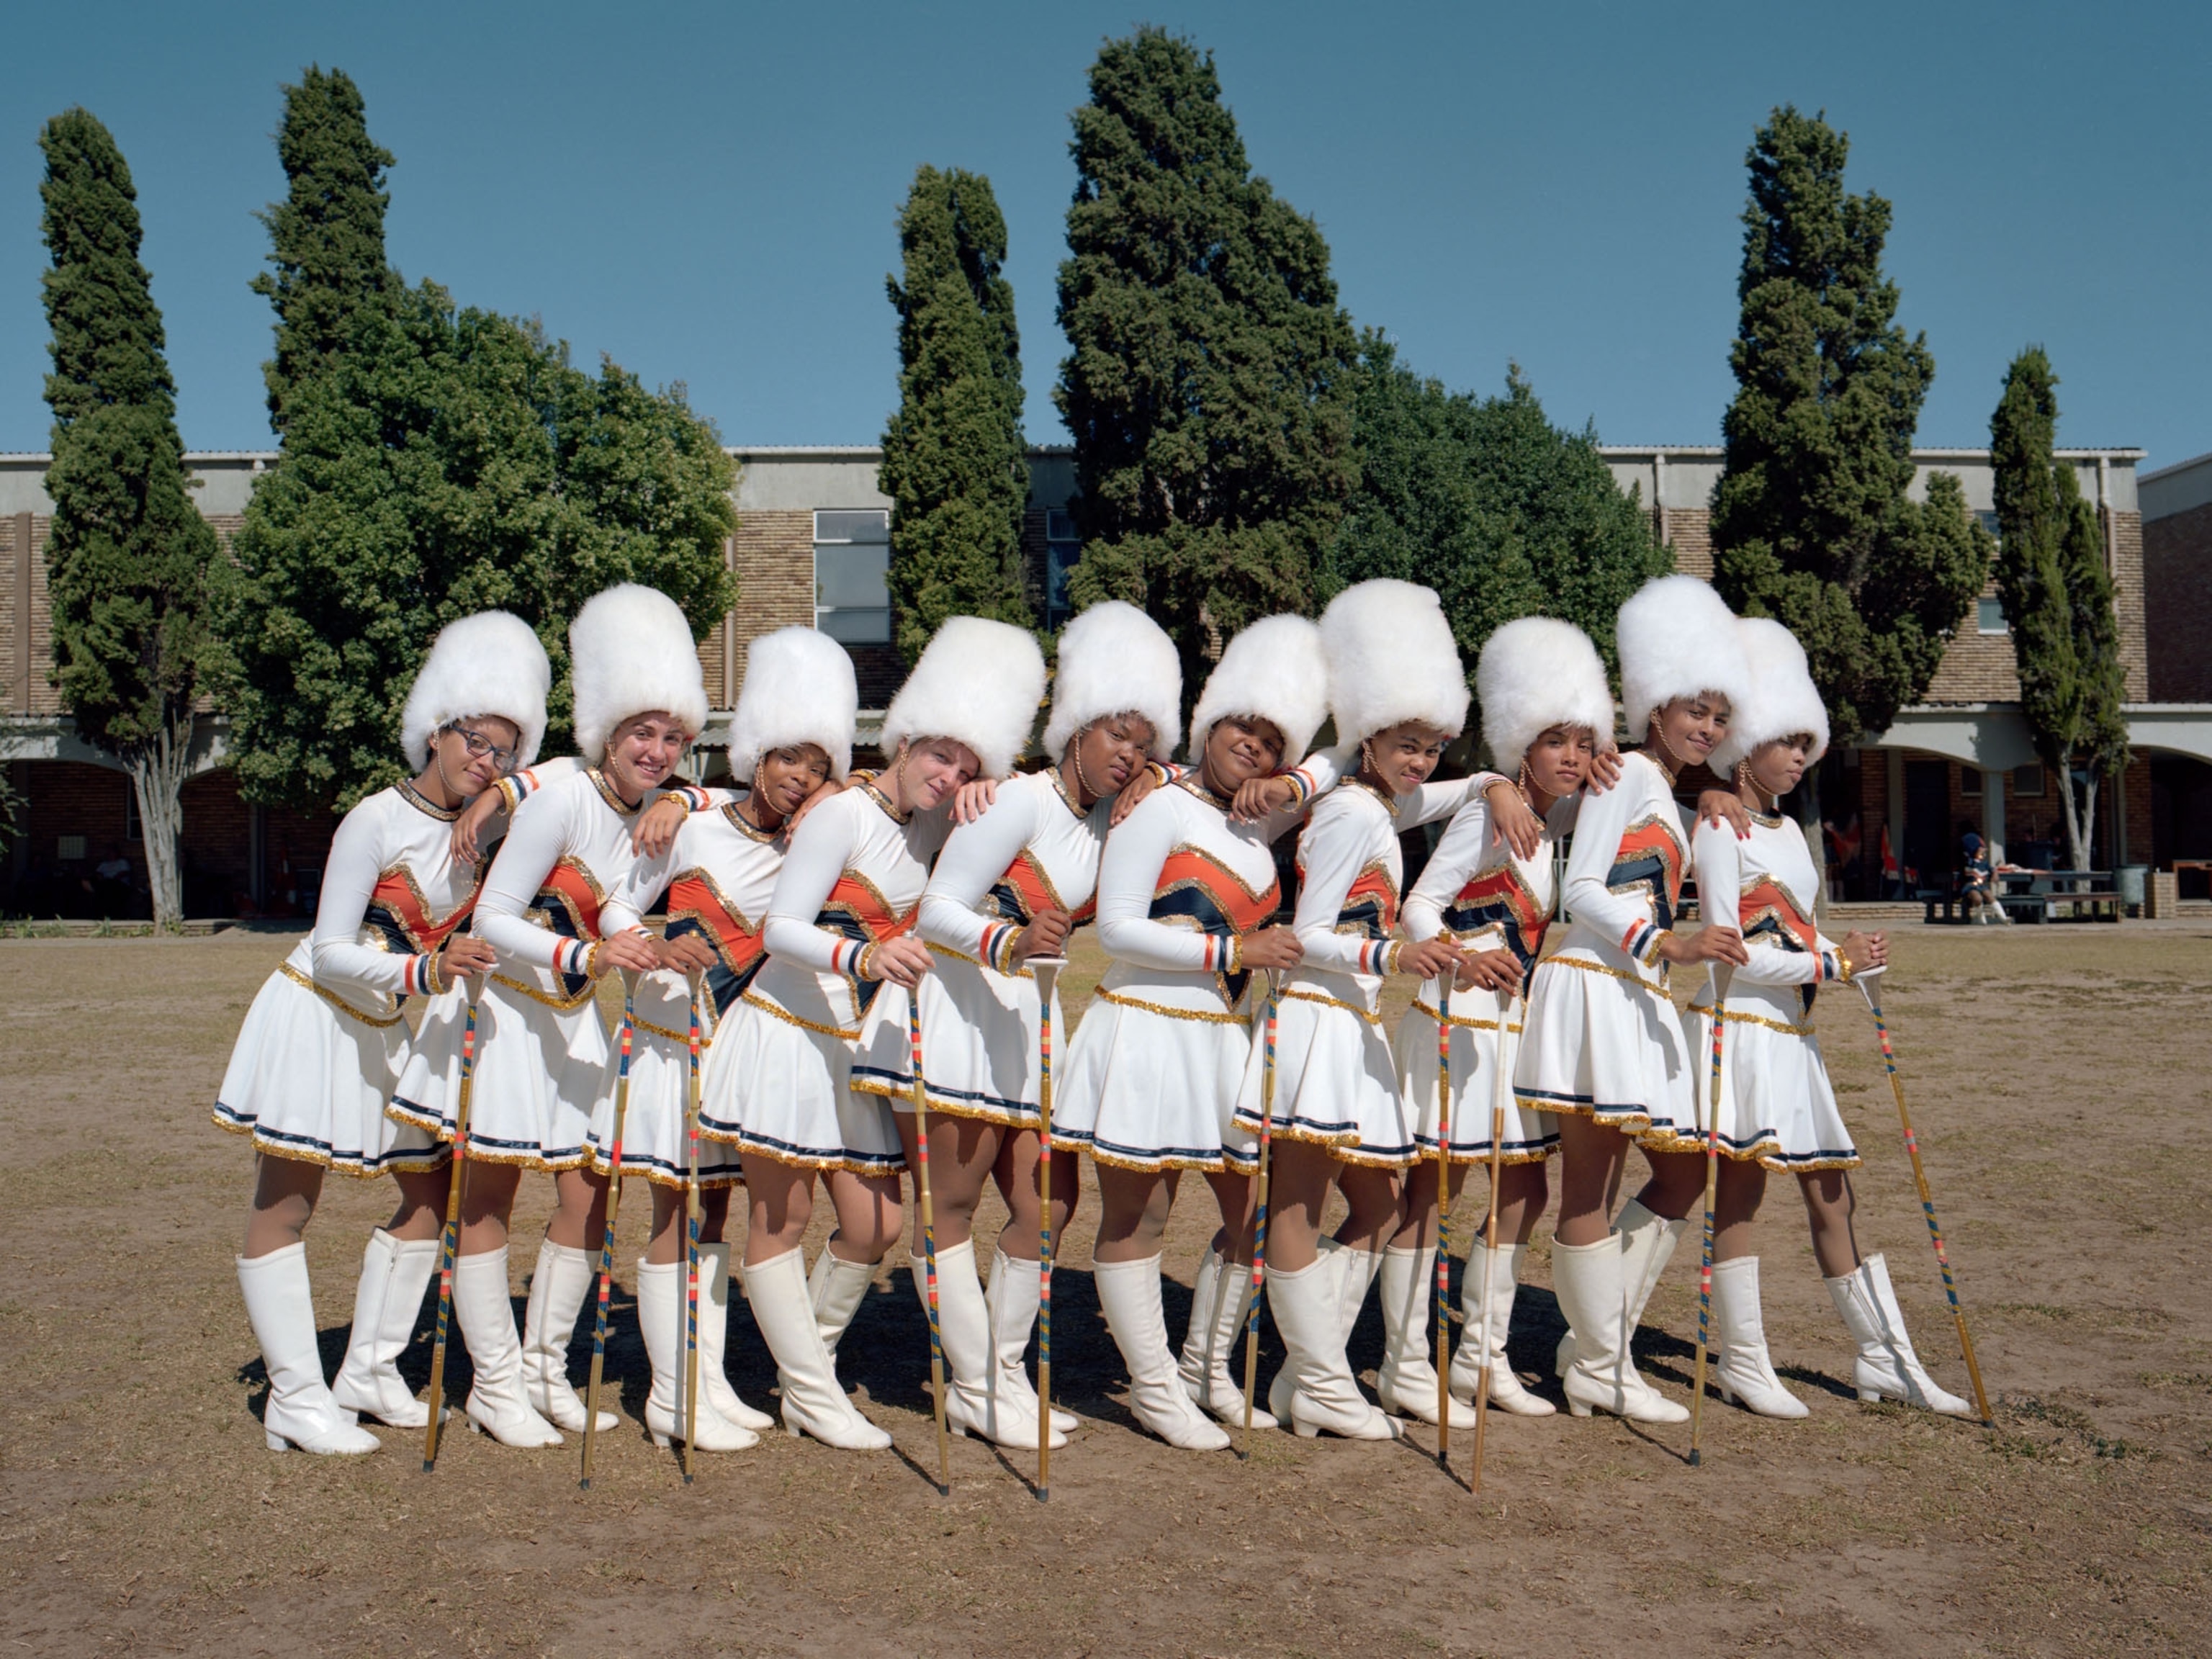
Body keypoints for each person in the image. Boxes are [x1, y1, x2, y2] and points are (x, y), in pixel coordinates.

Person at [215, 611, 549, 1453]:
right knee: (288, 1203)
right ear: (436, 732)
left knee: (430, 1196)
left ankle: (367, 1370)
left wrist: (513, 792)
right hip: (318, 1017)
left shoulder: (490, 826)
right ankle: (294, 1397)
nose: (489, 759)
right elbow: (331, 951)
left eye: (507, 750)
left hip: (388, 1031)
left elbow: (584, 786)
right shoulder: (374, 818)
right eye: (477, 740)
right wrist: (426, 972)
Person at [712, 616, 1042, 1450]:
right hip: (786, 1030)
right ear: (904, 740)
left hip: (855, 1050)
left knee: (876, 1227)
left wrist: (990, 790)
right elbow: (779, 930)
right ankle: (817, 1397)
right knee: (778, 1219)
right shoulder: (842, 815)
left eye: (968, 765)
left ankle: (802, 1373)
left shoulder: (937, 828)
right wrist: (861, 956)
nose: (949, 774)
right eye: (940, 755)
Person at [387, 584, 706, 1447]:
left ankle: (542, 1368)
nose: (658, 750)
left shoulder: (665, 811)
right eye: (644, 732)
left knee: (590, 1192)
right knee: (487, 1193)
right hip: (503, 1014)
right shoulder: (559, 793)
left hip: (572, 1023)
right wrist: (591, 956)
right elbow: (494, 914)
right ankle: (492, 1384)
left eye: (675, 738)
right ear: (607, 729)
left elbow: (622, 896)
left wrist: (646, 938)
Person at [1052, 614, 1355, 1451]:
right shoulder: (1159, 804)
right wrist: (1235, 947)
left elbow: (1353, 755)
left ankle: (1201, 1368)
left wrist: (1296, 785)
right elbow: (1113, 929)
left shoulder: (1260, 823)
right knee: (1140, 1218)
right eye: (1241, 727)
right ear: (1208, 725)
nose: (1252, 745)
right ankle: (1152, 1391)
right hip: (1146, 1025)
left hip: (1222, 1037)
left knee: (1253, 1213)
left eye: (1272, 737)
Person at [1226, 580, 1522, 1438]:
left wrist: (1494, 781)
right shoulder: (1355, 813)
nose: (1421, 762)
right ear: (1369, 737)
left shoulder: (1382, 806)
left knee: (1380, 1203)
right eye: (1406, 743)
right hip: (1316, 1012)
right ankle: (1316, 1377)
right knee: (1299, 1204)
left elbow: (1454, 794)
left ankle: (1300, 1377)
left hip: (1348, 1021)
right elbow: (1306, 933)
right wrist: (1396, 954)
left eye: (1431, 747)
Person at [899, 600, 1182, 1450]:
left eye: (1142, 740)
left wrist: (1163, 780)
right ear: (1076, 726)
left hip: (1031, 1023)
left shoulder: (1121, 816)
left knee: (1046, 1202)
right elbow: (935, 908)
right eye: (1114, 733)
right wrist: (1009, 937)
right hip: (962, 1009)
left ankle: (1007, 1375)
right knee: (949, 1200)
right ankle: (977, 1386)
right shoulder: (1013, 799)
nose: (1126, 753)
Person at [1680, 618, 1973, 1418]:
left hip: (1795, 1034)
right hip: (1738, 1027)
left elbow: (1800, 935)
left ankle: (1887, 1361)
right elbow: (1727, 951)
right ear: (1746, 748)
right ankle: (1744, 1362)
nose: (1803, 756)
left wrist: (1848, 954)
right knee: (1739, 1192)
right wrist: (1828, 963)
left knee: (1833, 1192)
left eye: (1808, 742)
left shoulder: (1791, 838)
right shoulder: (1715, 825)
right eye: (1788, 742)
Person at [588, 626, 858, 1454]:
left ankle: (704, 1380)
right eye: (786, 757)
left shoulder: (813, 843)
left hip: (739, 1055)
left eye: (816, 764)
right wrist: (652, 949)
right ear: (754, 752)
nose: (797, 776)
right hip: (671, 1043)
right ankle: (671, 1396)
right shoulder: (692, 824)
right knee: (674, 1212)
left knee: (715, 1213)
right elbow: (616, 904)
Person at [1514, 575, 1753, 1423]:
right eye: (1694, 709)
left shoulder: (1661, 785)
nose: (1708, 727)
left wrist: (1714, 793)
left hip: (1636, 988)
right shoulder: (1622, 776)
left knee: (1683, 1168)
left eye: (1720, 718)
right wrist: (1671, 943)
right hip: (1596, 981)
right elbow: (1578, 889)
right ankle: (1601, 1365)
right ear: (1654, 707)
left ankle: (1593, 1343)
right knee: (1590, 1183)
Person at [1388, 615, 1617, 1424]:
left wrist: (1604, 769)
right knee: (1431, 1193)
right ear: (1524, 742)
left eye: (1584, 744)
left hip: (1511, 1032)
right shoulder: (1492, 812)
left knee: (1523, 1189)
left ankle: (1481, 1359)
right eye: (1555, 740)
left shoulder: (1549, 821)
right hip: (1453, 1019)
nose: (1571, 757)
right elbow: (1416, 905)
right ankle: (1407, 1363)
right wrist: (1459, 953)